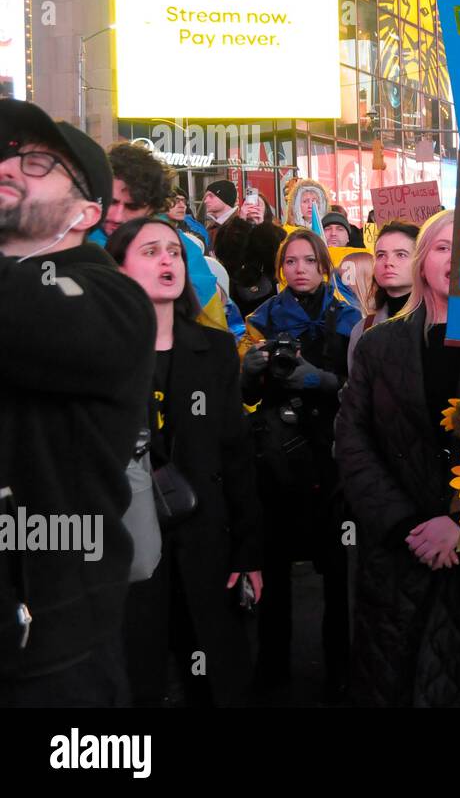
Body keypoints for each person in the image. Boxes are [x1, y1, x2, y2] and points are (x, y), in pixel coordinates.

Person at [0, 99, 155, 706]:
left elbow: (30, 319)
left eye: (37, 161)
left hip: (51, 649)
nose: (10, 166)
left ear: (89, 211)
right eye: (6, 156)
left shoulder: (110, 297)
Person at [335, 211, 460, 706]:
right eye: (445, 247)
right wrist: (406, 523)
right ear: (425, 261)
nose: (457, 259)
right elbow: (353, 439)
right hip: (398, 555)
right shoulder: (380, 346)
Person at [105, 217, 263, 707]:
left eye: (173, 251)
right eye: (150, 252)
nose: (167, 260)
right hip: (125, 550)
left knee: (214, 678)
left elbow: (236, 455)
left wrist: (249, 549)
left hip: (206, 541)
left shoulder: (213, 349)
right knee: (137, 680)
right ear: (119, 270)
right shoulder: (99, 354)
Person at [239, 230, 360, 699]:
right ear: (280, 268)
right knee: (275, 573)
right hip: (276, 463)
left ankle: (341, 672)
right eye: (291, 261)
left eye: (310, 260)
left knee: (338, 577)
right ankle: (272, 673)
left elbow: (363, 392)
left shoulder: (352, 321)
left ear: (325, 266)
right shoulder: (260, 321)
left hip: (333, 462)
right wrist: (248, 377)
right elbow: (244, 401)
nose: (300, 269)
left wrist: (328, 382)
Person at [98, 142, 227, 330]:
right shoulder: (75, 239)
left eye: (132, 206)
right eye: (111, 202)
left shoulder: (185, 252)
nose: (117, 216)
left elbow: (213, 332)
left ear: (152, 207)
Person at [347, 220, 418, 370]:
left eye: (401, 254)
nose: (388, 262)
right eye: (380, 255)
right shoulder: (362, 329)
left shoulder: (441, 324)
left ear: (420, 262)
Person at [214, 215, 286, 319]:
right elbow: (226, 252)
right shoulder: (233, 231)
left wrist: (263, 227)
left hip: (267, 300)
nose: (254, 211)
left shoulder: (271, 235)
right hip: (238, 306)